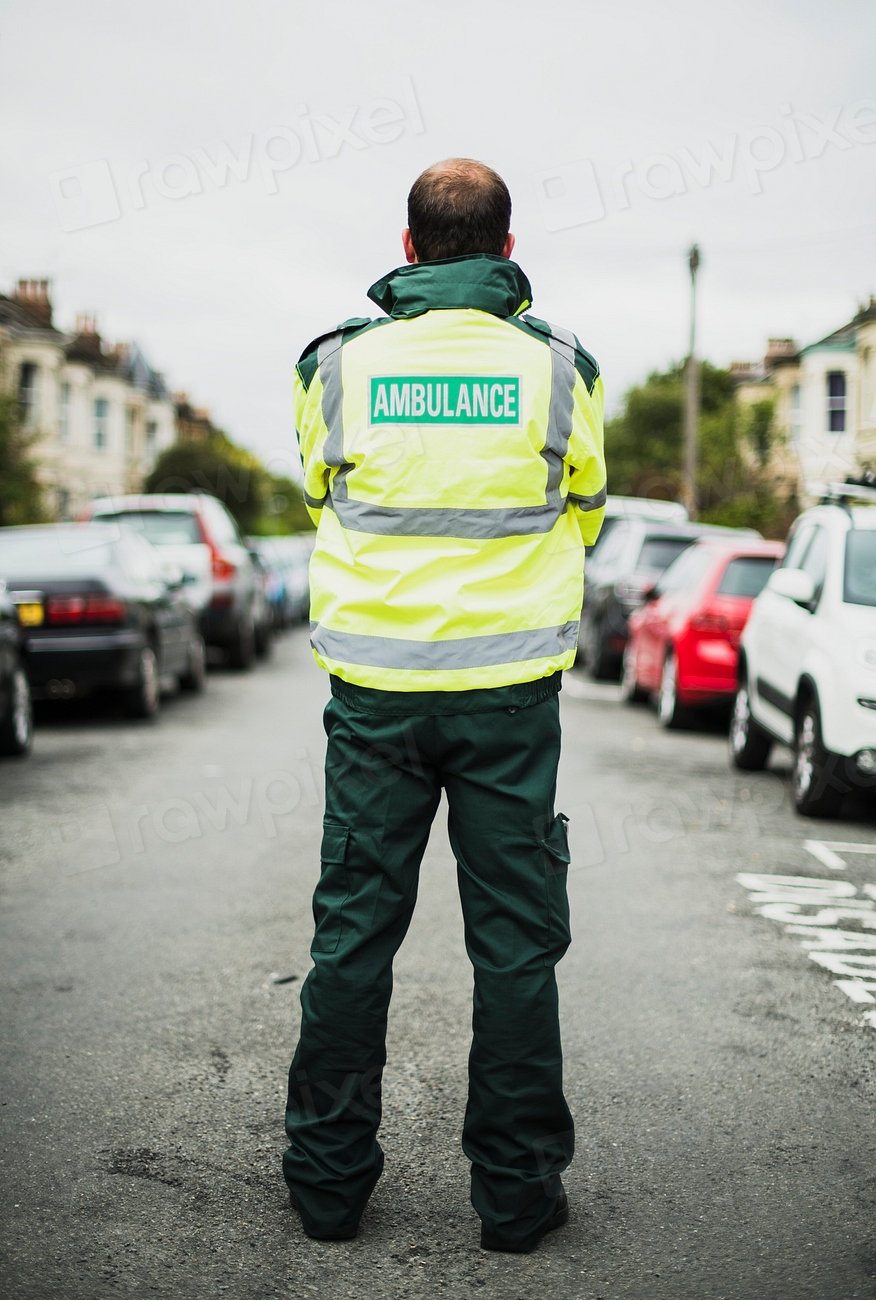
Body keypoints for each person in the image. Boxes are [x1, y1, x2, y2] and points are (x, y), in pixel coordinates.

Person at [284, 158, 605, 1254]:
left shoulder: (335, 364)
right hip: (509, 698)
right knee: (514, 947)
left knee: (353, 938)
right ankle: (516, 1200)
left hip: (374, 694)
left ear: (409, 249)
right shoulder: (560, 368)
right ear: (508, 252)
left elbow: (322, 492)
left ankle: (328, 1188)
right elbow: (589, 509)